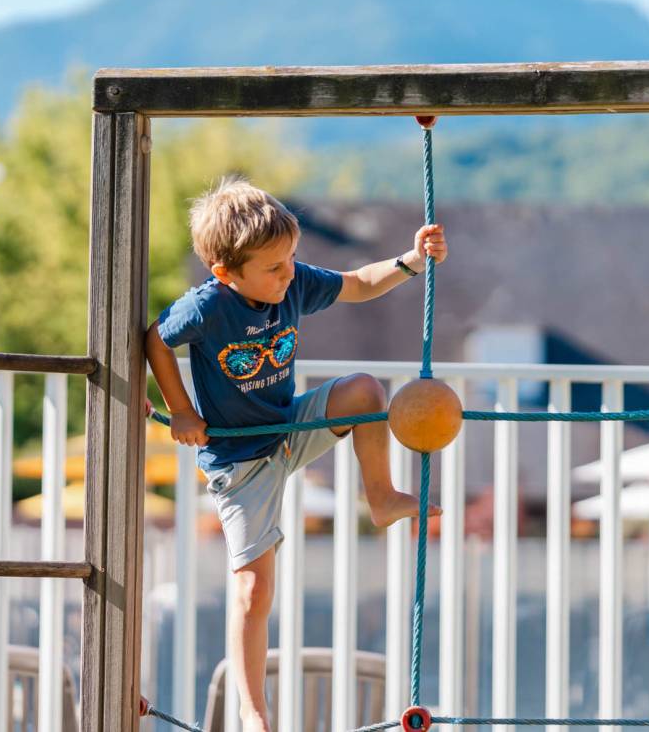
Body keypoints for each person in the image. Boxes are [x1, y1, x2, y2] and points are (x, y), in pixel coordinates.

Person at [145, 177, 446, 732]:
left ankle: (379, 498)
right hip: (239, 462)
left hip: (289, 427)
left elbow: (357, 283)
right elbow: (155, 340)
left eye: (291, 261)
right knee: (254, 588)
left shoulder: (294, 281)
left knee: (364, 391)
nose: (289, 275)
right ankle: (252, 707)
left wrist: (410, 261)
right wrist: (181, 409)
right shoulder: (207, 306)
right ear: (226, 273)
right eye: (275, 268)